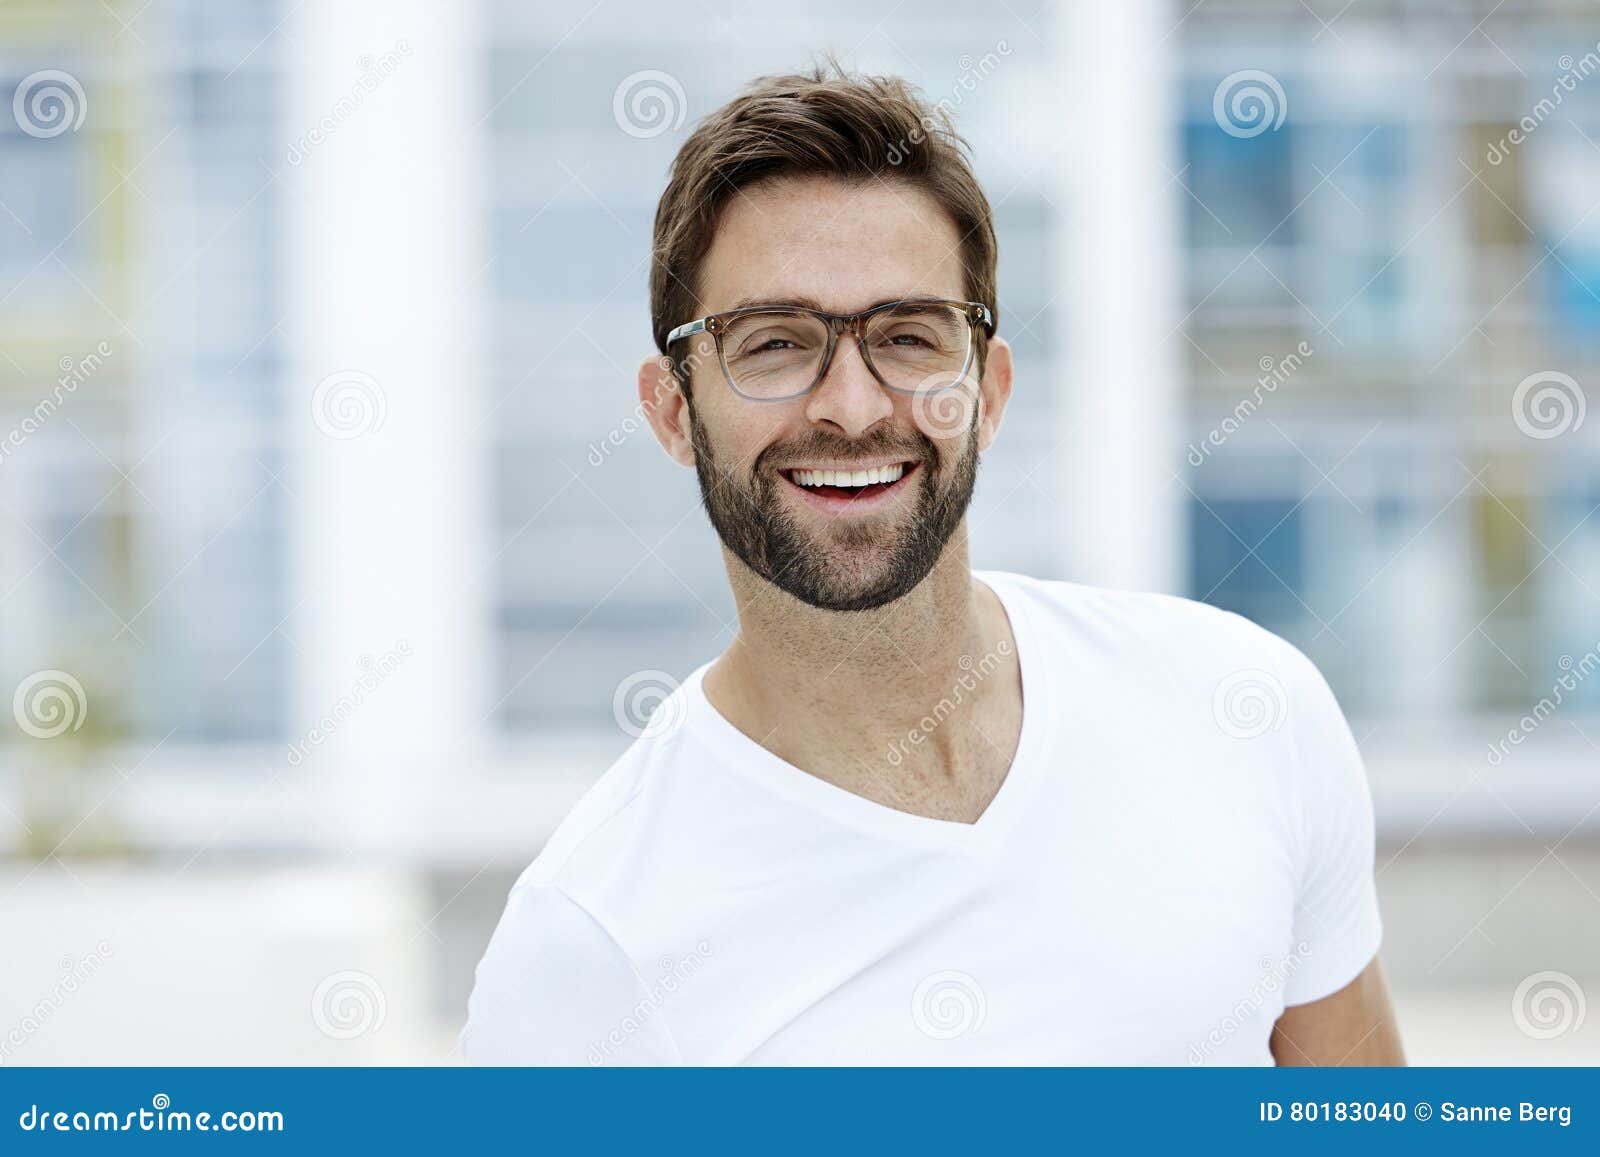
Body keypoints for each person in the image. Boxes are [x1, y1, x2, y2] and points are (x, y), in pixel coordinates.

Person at [462, 61, 1404, 1066]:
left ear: (988, 391)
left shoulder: (1240, 707)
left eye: (907, 336)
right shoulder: (590, 942)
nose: (854, 407)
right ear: (670, 409)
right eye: (774, 343)